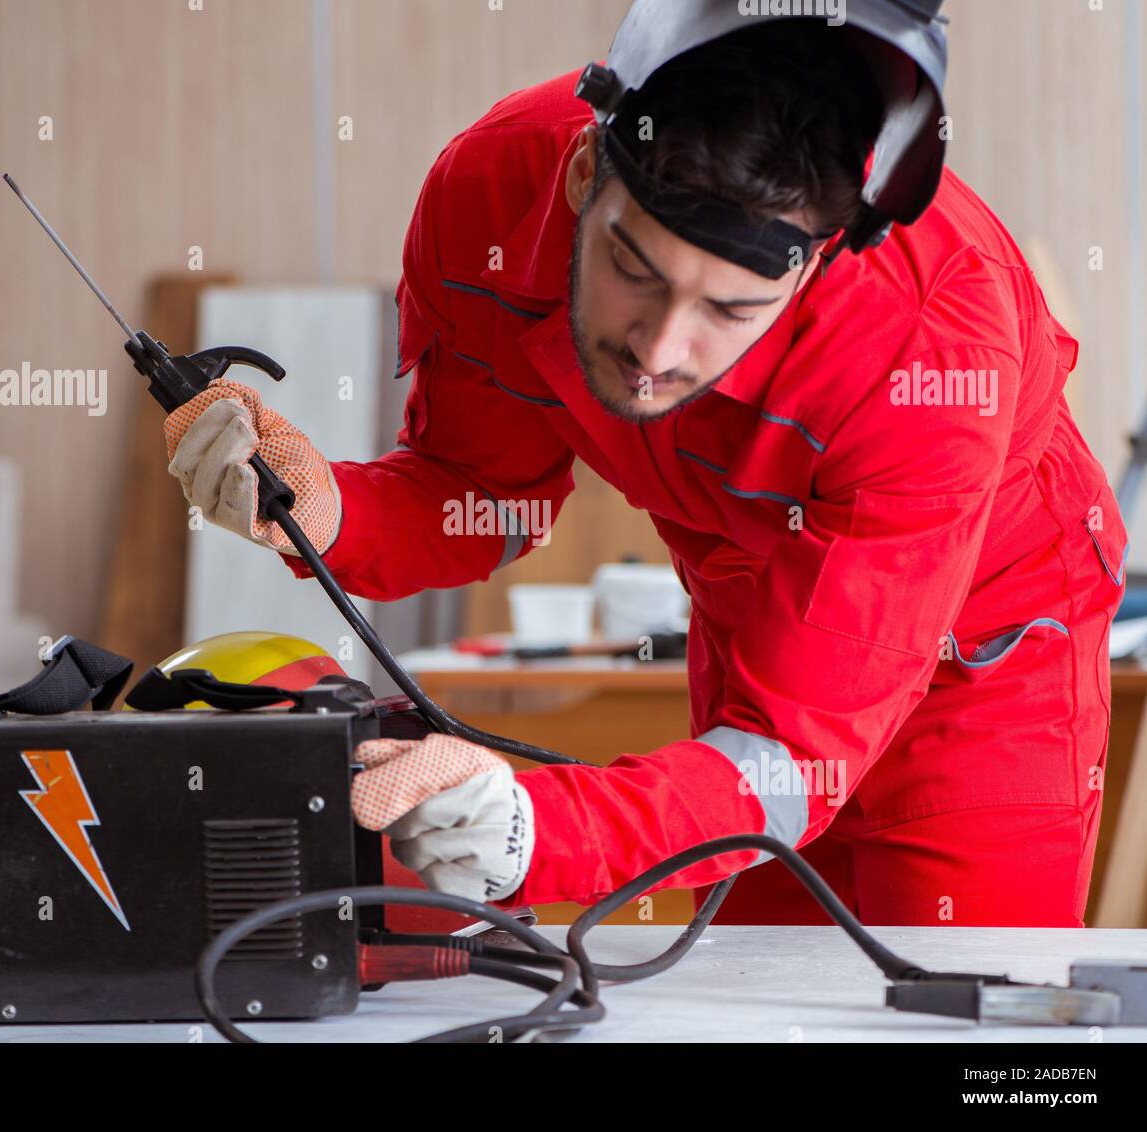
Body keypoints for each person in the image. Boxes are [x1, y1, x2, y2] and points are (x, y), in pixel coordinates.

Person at [162, 1, 1126, 927]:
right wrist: (322, 506)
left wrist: (539, 831)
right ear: (586, 171)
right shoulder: (490, 199)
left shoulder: (935, 345)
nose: (660, 351)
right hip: (757, 621)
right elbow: (482, 498)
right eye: (637, 270)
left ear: (814, 265)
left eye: (729, 312)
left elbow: (792, 759)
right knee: (758, 1002)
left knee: (964, 1020)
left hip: (990, 657)